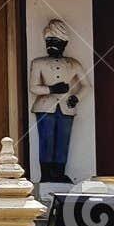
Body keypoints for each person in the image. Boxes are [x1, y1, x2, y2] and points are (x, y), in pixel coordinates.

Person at [29, 18, 86, 183]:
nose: (51, 44)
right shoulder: (39, 63)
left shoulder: (73, 64)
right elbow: (33, 87)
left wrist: (76, 97)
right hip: (45, 106)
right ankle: (46, 174)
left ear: (64, 43)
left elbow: (86, 86)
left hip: (66, 107)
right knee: (46, 139)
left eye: (55, 41)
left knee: (63, 140)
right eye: (48, 41)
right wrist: (51, 89)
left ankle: (59, 173)